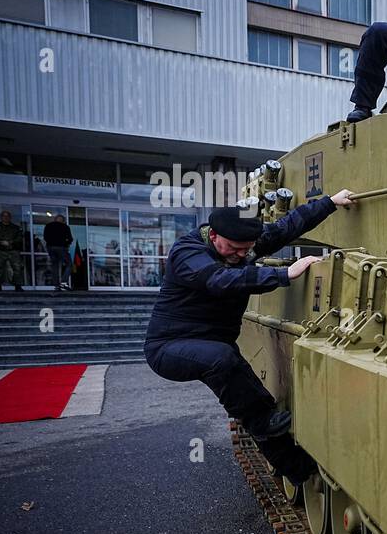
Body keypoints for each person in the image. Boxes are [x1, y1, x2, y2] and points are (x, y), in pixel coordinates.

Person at [144, 190, 354, 481]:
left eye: (247, 249)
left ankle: (297, 469)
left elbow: (286, 227)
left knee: (250, 399)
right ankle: (267, 428)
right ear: (214, 236)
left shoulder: (242, 245)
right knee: (226, 364)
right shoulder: (187, 252)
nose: (242, 254)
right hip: (170, 346)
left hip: (216, 344)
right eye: (234, 248)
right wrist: (283, 275)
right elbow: (218, 280)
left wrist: (330, 202)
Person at [43, 213, 74, 290]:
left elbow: (45, 237)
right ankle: (63, 283)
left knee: (55, 265)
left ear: (55, 219)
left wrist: (50, 243)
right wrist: (66, 244)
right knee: (69, 264)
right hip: (61, 247)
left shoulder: (48, 226)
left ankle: (56, 285)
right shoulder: (65, 227)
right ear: (63, 221)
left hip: (50, 247)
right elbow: (70, 238)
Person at [0, 210, 25, 291]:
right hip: (0, 250)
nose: (6, 218)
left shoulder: (15, 228)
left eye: (7, 216)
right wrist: (1, 242)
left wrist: (10, 242)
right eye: (4, 216)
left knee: (17, 268)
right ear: (1, 217)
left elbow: (20, 238)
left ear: (10, 217)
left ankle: (18, 285)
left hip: (13, 250)